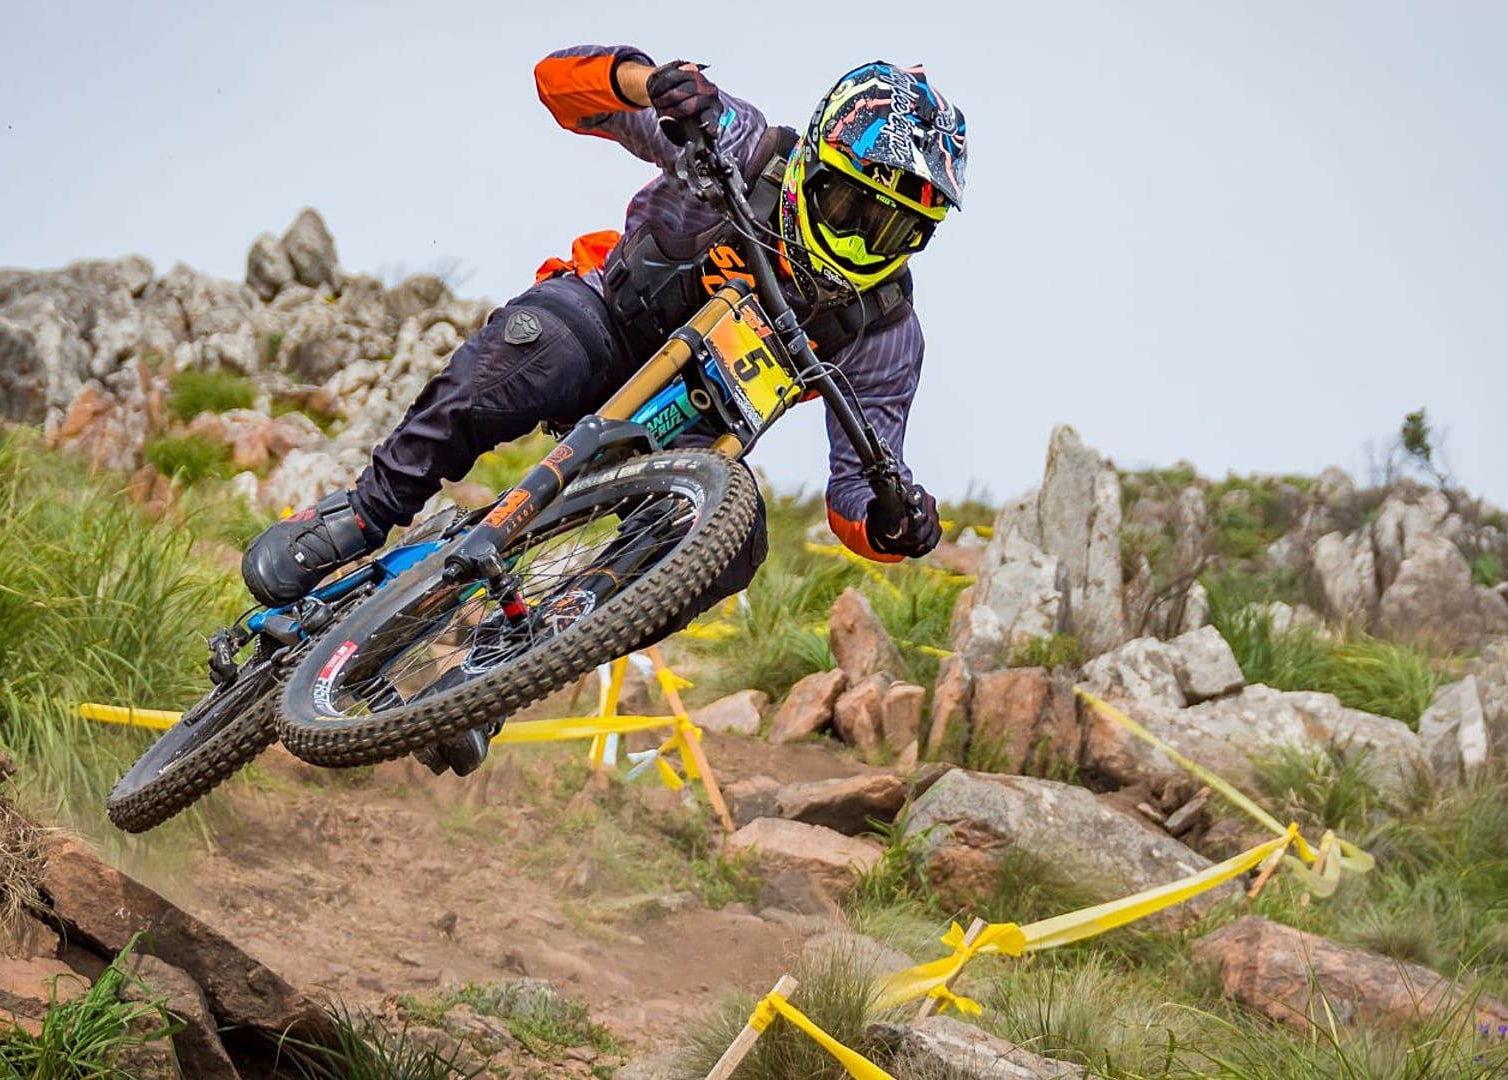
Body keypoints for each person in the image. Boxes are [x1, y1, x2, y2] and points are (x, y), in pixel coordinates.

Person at [242, 49, 967, 754]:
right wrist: (651, 84)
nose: (863, 240)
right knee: (535, 346)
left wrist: (892, 524)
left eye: (896, 231)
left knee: (735, 545)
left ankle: (499, 670)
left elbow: (854, 489)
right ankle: (363, 512)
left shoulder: (887, 332)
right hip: (606, 325)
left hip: (692, 439)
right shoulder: (736, 142)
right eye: (850, 208)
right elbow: (557, 85)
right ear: (817, 167)